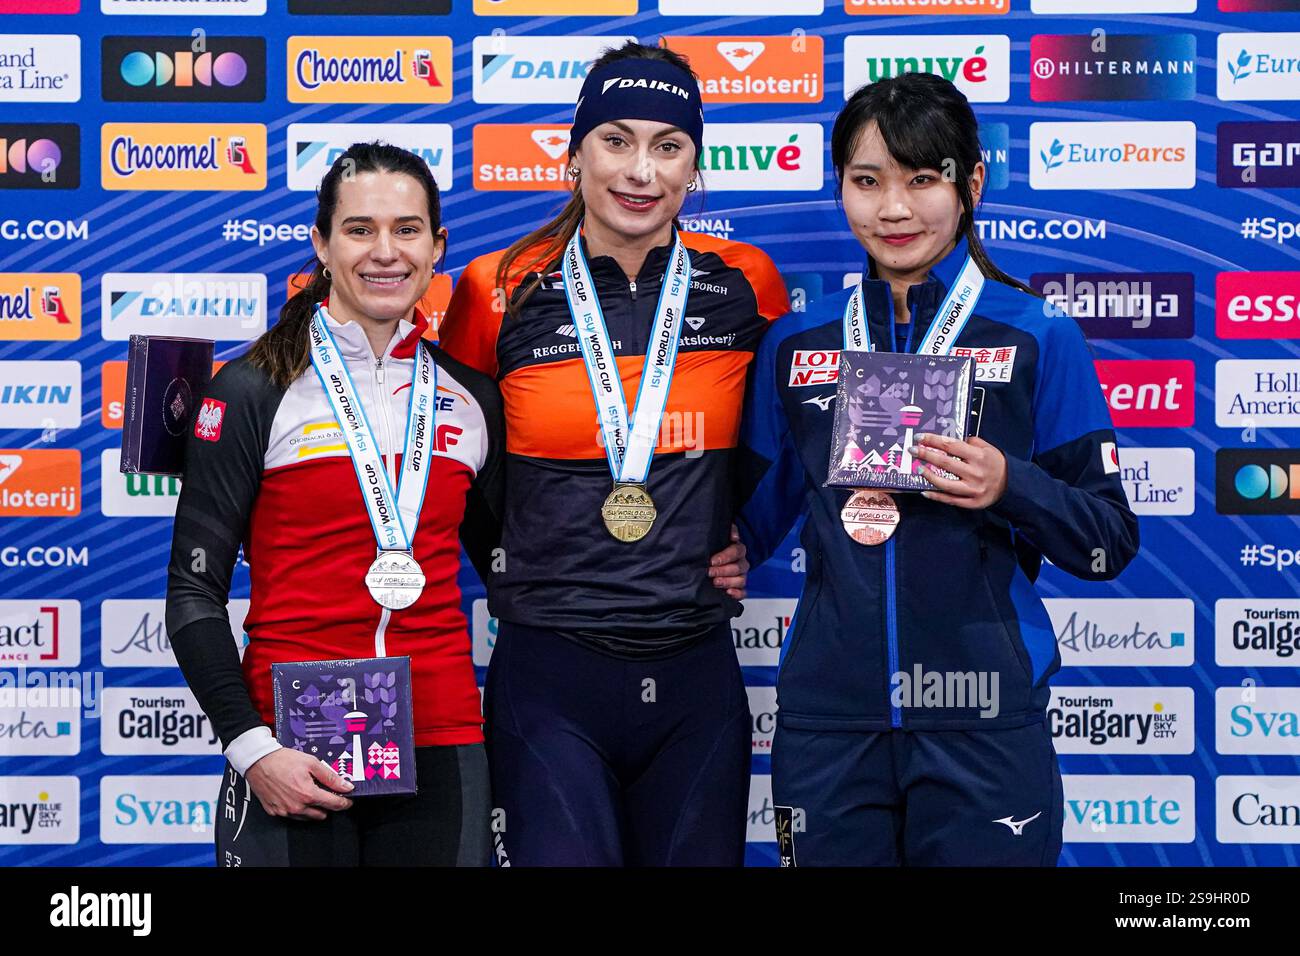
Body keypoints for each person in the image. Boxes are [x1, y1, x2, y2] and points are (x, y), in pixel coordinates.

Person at [735, 73, 1139, 866]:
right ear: (841, 188)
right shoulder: (797, 344)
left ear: (971, 183)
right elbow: (743, 523)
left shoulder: (1035, 335)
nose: (893, 208)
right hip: (828, 727)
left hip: (981, 721)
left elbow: (1108, 540)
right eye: (867, 181)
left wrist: (1009, 485)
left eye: (922, 179)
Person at [438, 41, 788, 866]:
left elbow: (780, 445)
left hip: (695, 669)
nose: (641, 171)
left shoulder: (746, 282)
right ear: (575, 151)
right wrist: (517, 566)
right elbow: (455, 466)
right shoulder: (498, 286)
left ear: (694, 166)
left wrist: (753, 539)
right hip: (549, 670)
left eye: (668, 147)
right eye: (617, 140)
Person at [165, 142, 504, 866]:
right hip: (290, 741)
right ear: (322, 244)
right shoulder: (253, 388)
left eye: (407, 230)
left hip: (442, 737)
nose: (385, 252)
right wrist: (252, 748)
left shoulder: (472, 398)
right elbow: (193, 593)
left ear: (438, 247)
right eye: (359, 229)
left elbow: (516, 572)